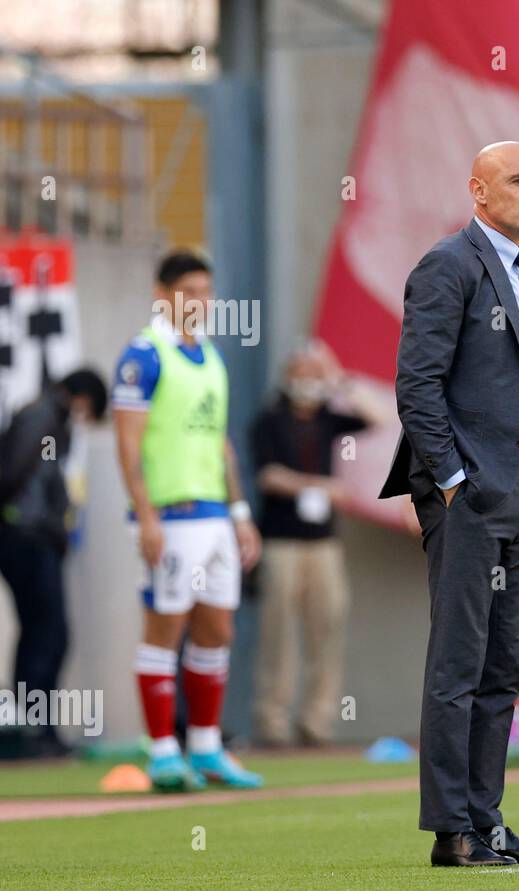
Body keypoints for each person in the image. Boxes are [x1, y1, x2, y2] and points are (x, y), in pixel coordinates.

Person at [379, 141, 519, 868]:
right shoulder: (448, 265)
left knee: (503, 668)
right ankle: (452, 831)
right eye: (518, 180)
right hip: (471, 494)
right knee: (458, 664)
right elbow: (417, 388)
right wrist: (455, 480)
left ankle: (487, 822)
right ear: (477, 190)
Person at [112, 249, 263, 792]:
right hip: (171, 517)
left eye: (206, 292)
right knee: (165, 627)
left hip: (214, 514)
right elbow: (127, 442)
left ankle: (206, 748)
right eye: (189, 292)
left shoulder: (212, 358)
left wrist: (240, 512)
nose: (201, 302)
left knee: (217, 628)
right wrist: (146, 515)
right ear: (163, 294)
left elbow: (220, 443)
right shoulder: (144, 355)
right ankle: (162, 753)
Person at [250, 341, 382, 746]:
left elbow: (378, 417)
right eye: (300, 373)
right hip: (281, 540)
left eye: (313, 374)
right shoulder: (269, 420)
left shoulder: (329, 419)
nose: (307, 381)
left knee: (327, 627)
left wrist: (336, 378)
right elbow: (267, 475)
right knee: (279, 633)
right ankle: (272, 723)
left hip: (324, 543)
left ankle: (316, 722)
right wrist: (317, 486)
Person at [0, 369, 108, 757]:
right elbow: (16, 471)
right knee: (47, 634)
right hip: (27, 537)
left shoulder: (48, 418)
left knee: (43, 633)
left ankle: (35, 728)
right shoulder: (42, 418)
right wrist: (45, 523)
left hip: (33, 536)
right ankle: (33, 730)